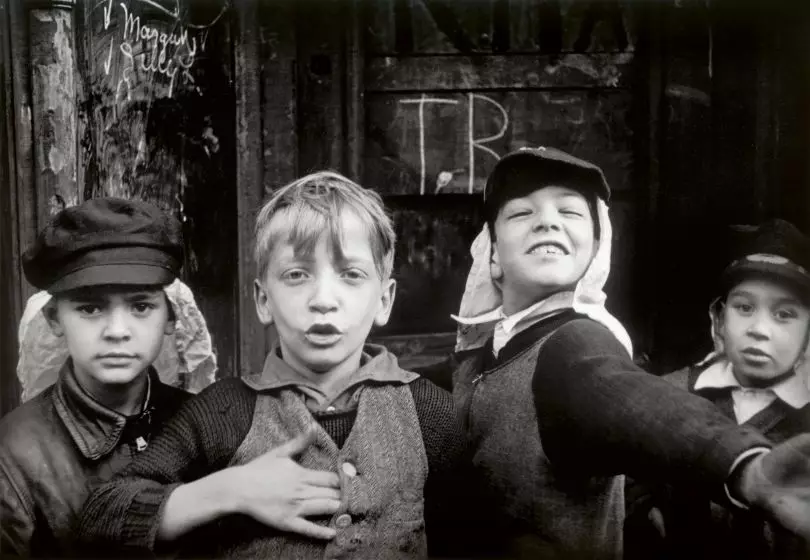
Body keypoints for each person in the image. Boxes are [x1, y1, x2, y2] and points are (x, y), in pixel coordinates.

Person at [440, 146, 810, 559]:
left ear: (597, 247)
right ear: (491, 254)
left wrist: (744, 465)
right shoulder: (481, 355)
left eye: (570, 212)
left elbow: (633, 399)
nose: (547, 221)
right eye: (522, 213)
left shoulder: (575, 344)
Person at [78, 171, 467, 558]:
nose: (323, 299)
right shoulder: (223, 412)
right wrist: (230, 490)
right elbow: (101, 517)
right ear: (264, 300)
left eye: (351, 275)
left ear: (384, 300)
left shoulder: (431, 414)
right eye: (297, 275)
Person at [0, 197, 212, 557]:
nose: (117, 331)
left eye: (141, 306)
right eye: (90, 308)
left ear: (171, 319)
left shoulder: (208, 424)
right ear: (54, 319)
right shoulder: (13, 453)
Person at [627, 218, 810, 560]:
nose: (759, 329)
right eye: (744, 308)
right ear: (719, 317)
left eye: (784, 314)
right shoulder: (668, 393)